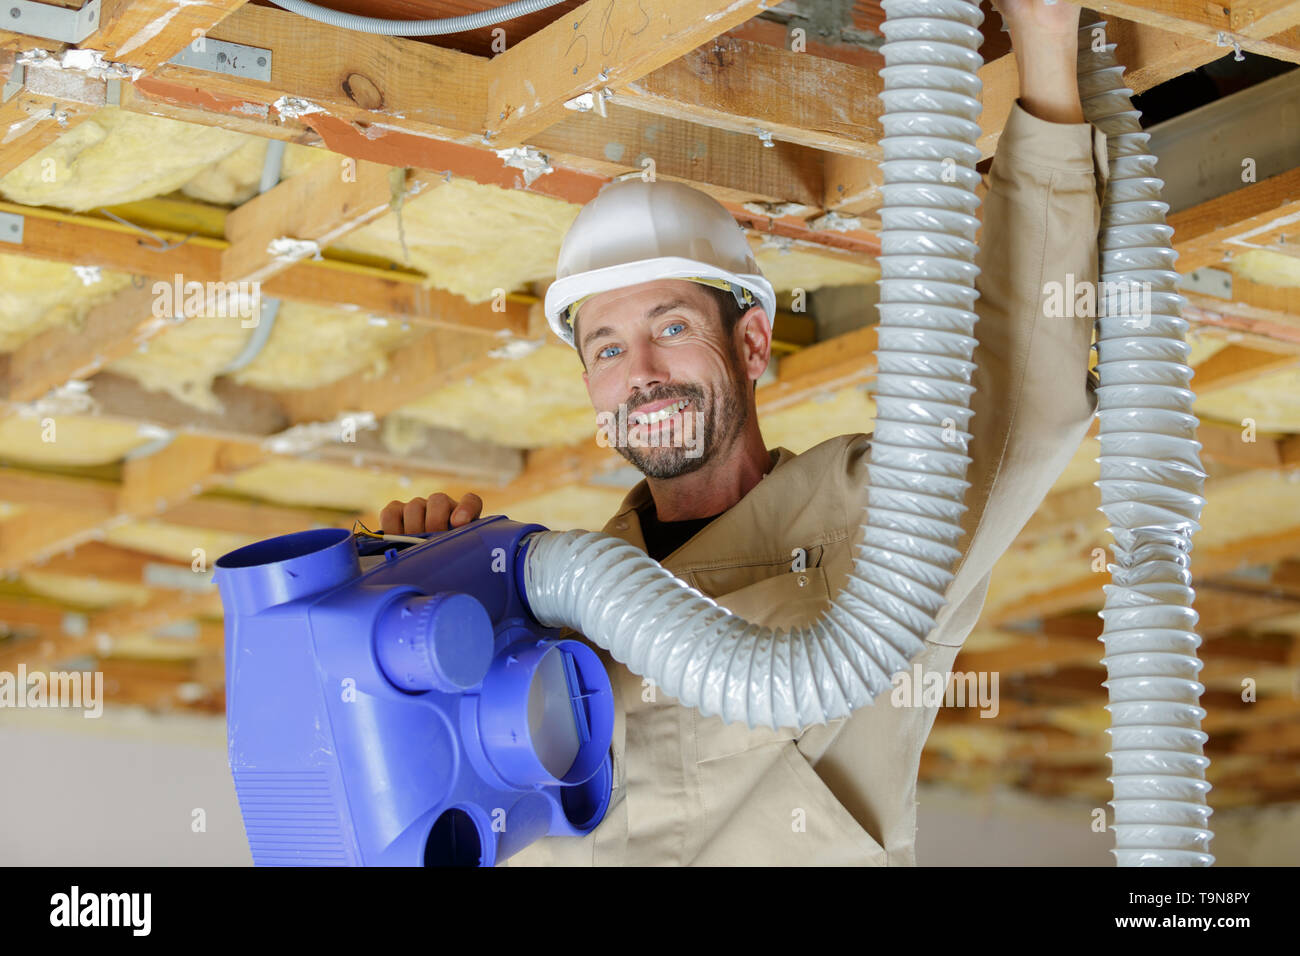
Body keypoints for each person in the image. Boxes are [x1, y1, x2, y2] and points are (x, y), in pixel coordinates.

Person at [381, 0, 1105, 865]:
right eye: (607, 346)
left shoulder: (877, 530)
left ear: (752, 341)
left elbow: (1027, 392)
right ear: (589, 384)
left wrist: (1049, 45)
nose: (641, 369)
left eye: (673, 327)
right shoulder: (550, 602)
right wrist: (407, 609)